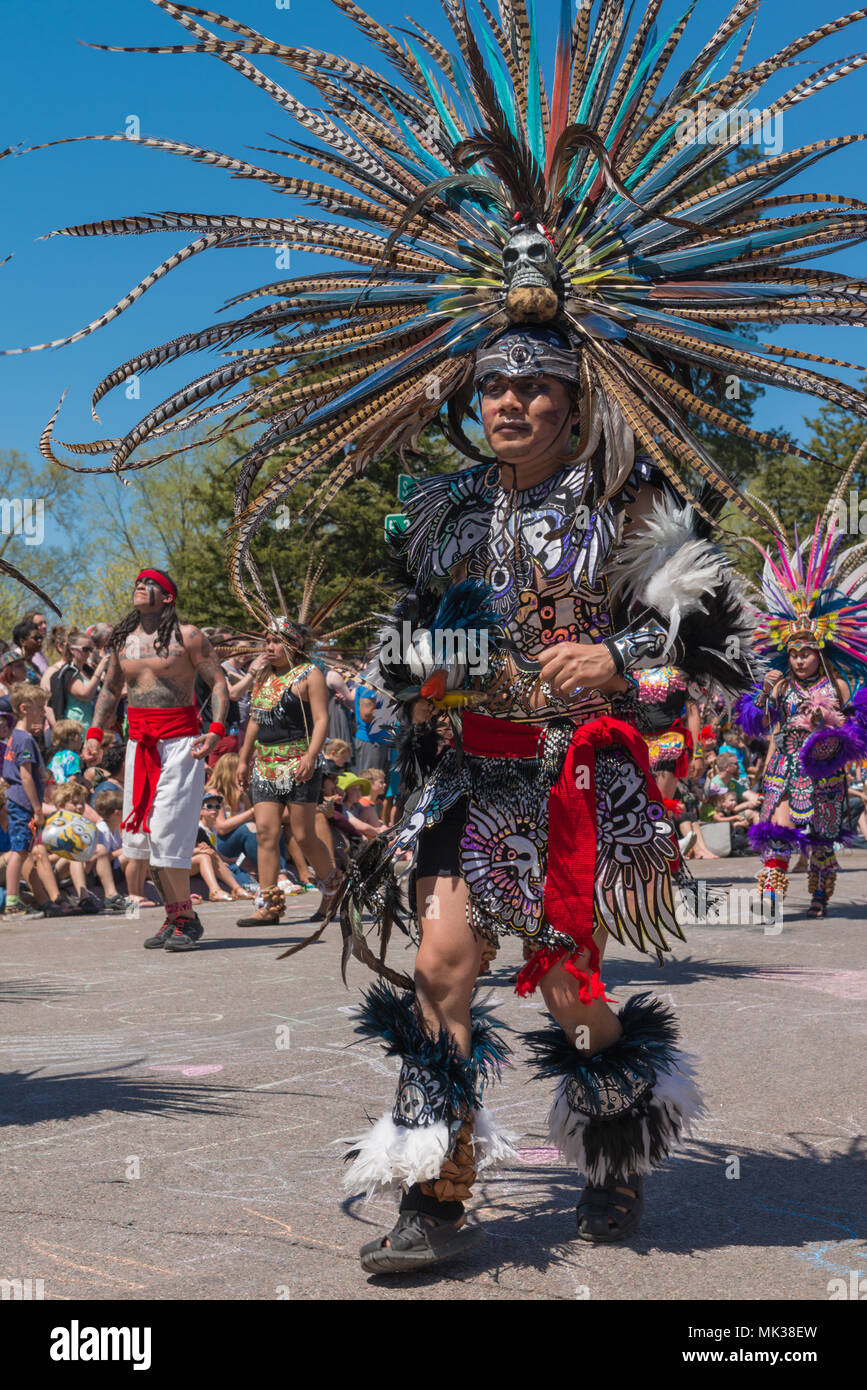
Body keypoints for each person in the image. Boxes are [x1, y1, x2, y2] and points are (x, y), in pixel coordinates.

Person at [737, 470, 867, 918]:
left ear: (819, 652)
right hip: (782, 767)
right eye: (793, 654)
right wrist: (762, 695)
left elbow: (858, 734)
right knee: (776, 830)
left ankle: (819, 894)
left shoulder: (839, 685)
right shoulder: (780, 683)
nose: (799, 660)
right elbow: (756, 724)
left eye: (806, 653)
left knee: (819, 842)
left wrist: (828, 725)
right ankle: (771, 896)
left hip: (822, 771)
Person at [82, 567, 229, 950]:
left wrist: (216, 730)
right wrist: (94, 735)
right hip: (139, 745)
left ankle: (186, 919)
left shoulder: (189, 636)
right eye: (138, 582)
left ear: (168, 597)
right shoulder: (122, 641)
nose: (140, 586)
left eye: (150, 584)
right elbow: (110, 689)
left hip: (181, 745)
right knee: (145, 840)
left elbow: (218, 682)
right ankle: (176, 915)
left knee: (167, 832)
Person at [235, 620, 337, 927]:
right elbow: (255, 720)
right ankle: (269, 905)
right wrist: (243, 760)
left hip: (299, 763)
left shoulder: (310, 674)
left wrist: (311, 755)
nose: (269, 647)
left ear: (295, 644)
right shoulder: (264, 676)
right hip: (266, 764)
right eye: (267, 641)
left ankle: (334, 890)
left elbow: (321, 720)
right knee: (266, 832)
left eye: (277, 641)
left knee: (304, 835)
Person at [2, 682, 49, 916]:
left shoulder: (18, 736)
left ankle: (14, 901)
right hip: (22, 802)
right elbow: (26, 775)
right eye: (40, 707)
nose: (43, 711)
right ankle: (12, 903)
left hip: (16, 800)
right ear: (24, 708)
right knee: (19, 852)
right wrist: (38, 809)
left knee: (21, 850)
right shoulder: (24, 740)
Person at [59, 630, 110, 727]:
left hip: (92, 725)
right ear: (72, 649)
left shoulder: (88, 671)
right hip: (75, 727)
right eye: (85, 649)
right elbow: (86, 694)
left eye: (91, 650)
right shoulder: (68, 671)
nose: (88, 653)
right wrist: (99, 669)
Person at [47, 718, 85, 784]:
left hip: (53, 787)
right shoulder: (73, 756)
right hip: (66, 788)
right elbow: (74, 778)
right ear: (72, 738)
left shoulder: (57, 755)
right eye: (80, 736)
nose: (82, 739)